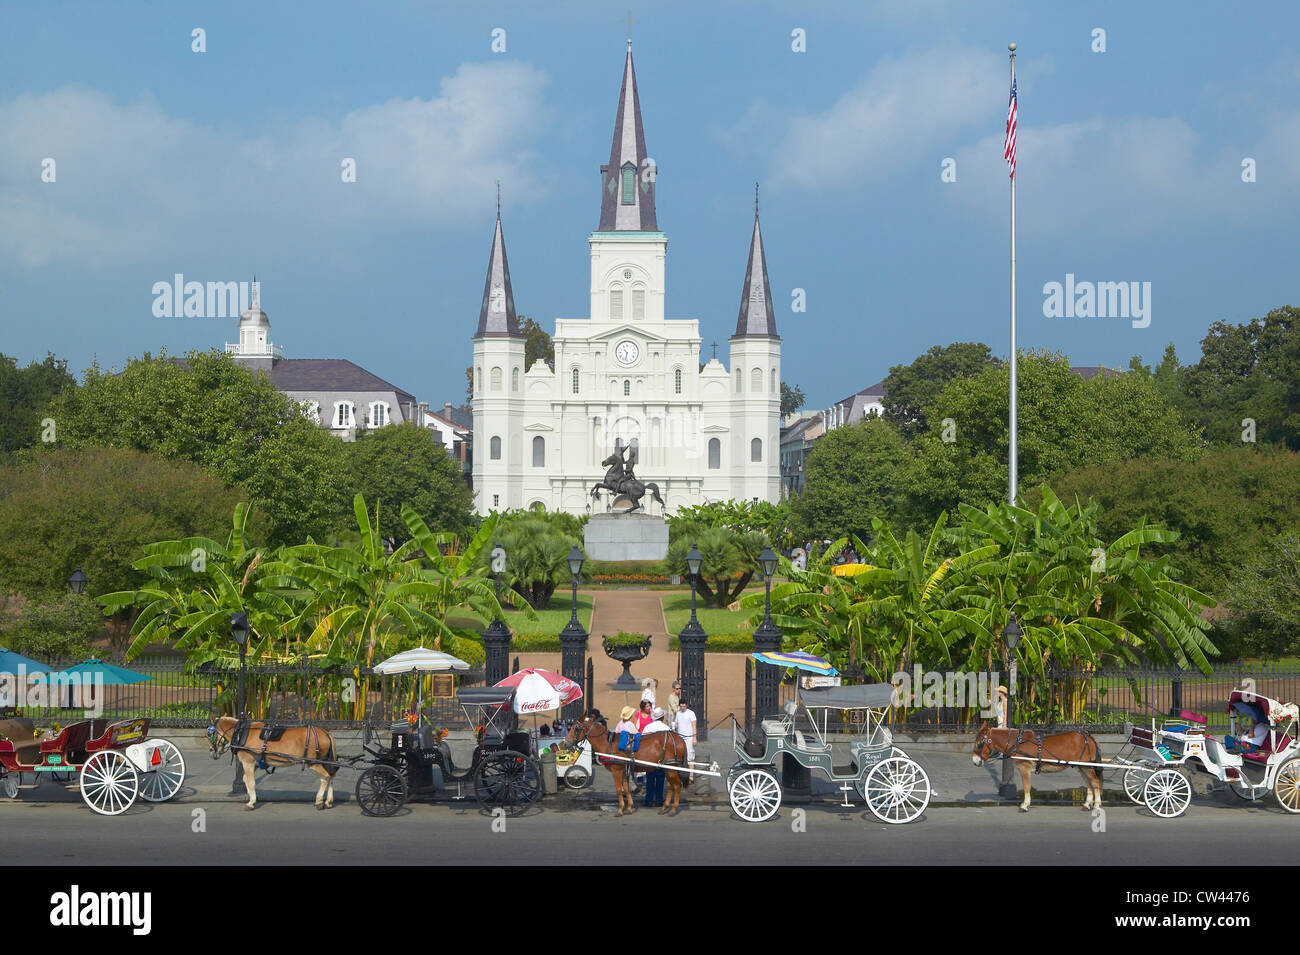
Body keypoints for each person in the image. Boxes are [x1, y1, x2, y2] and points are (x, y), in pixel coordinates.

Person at [641, 707, 671, 807]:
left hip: (649, 757)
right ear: (662, 717)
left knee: (649, 778)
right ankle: (659, 799)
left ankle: (648, 799)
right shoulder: (666, 728)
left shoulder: (647, 727)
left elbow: (642, 742)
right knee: (660, 778)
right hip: (661, 757)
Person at [675, 698, 698, 779]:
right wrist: (674, 726)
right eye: (681, 706)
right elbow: (677, 724)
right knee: (680, 756)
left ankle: (691, 776)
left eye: (684, 706)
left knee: (690, 756)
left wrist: (694, 737)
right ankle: (681, 775)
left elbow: (694, 726)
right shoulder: (678, 713)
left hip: (689, 738)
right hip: (680, 738)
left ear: (686, 705)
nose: (682, 708)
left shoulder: (691, 713)